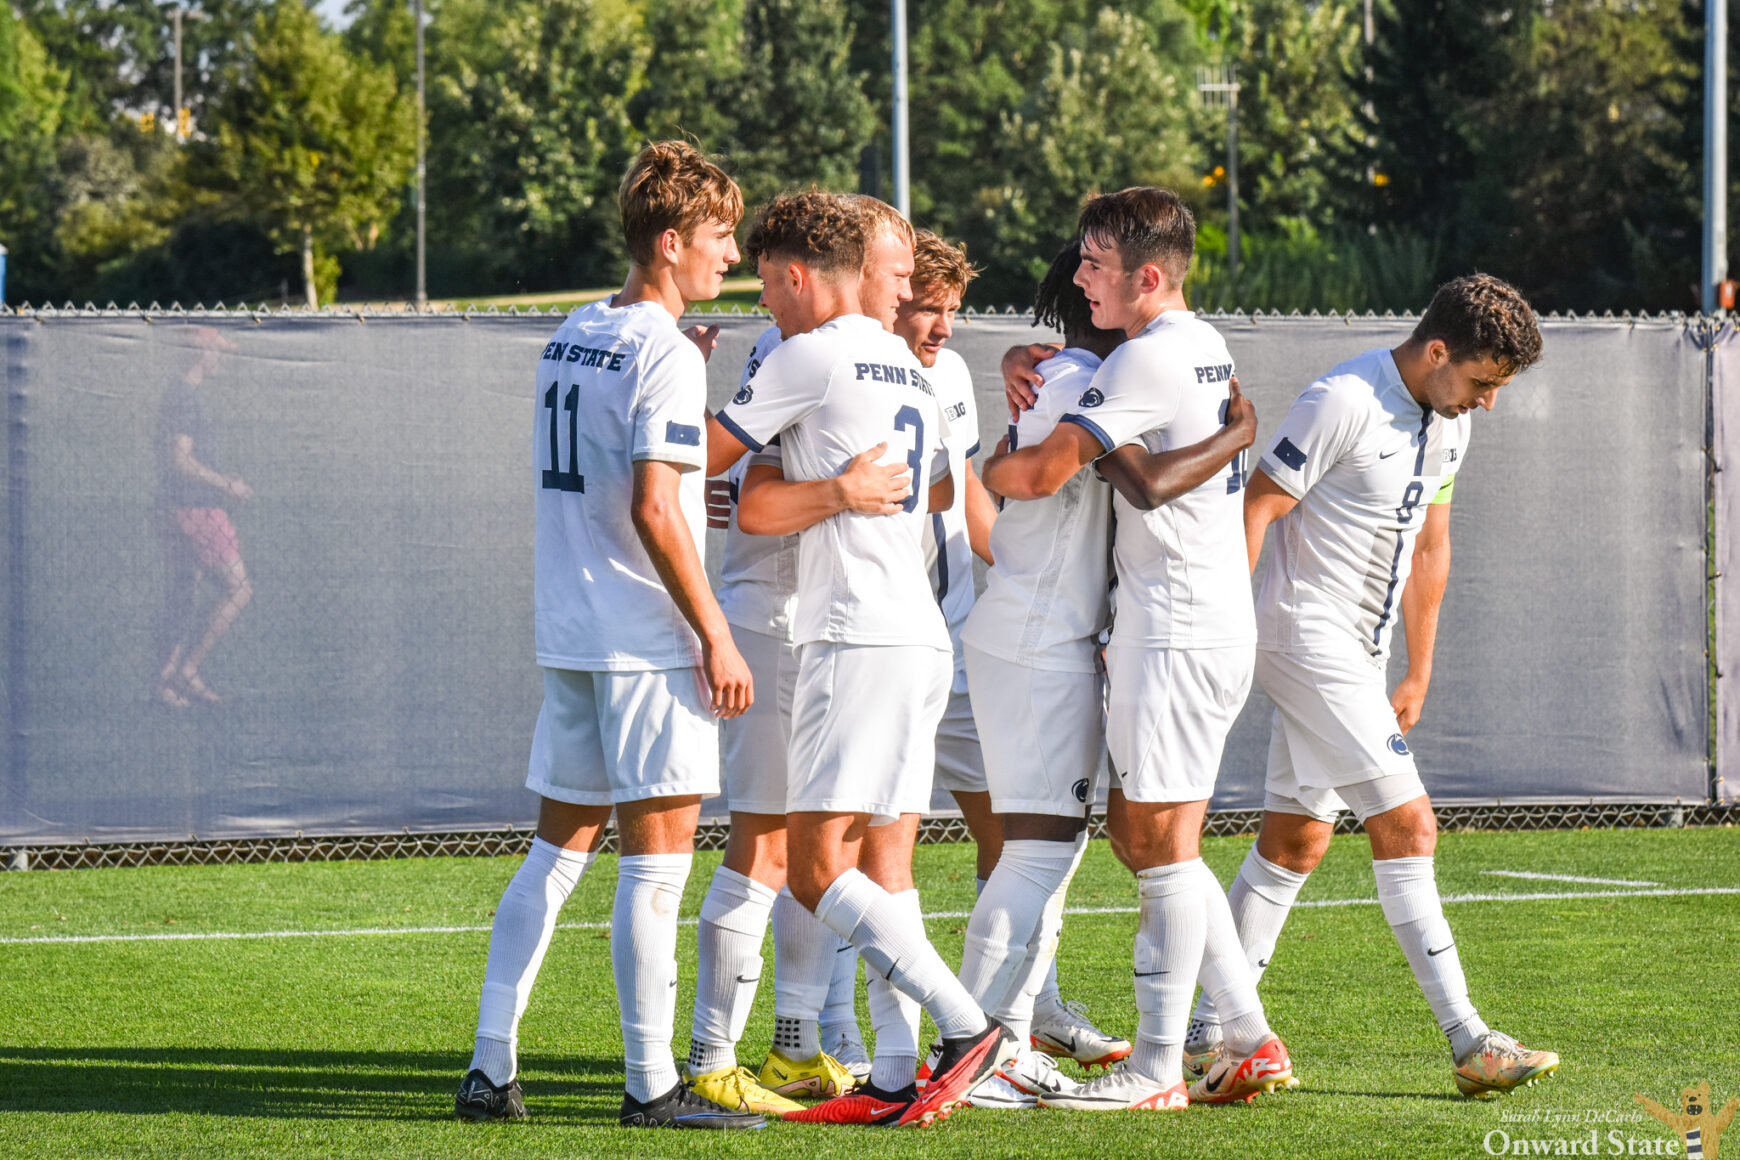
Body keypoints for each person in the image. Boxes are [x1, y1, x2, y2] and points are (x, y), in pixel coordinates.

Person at [453, 140, 762, 1131]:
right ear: (671, 245)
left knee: (555, 855)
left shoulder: (577, 328)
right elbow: (657, 508)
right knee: (656, 868)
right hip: (645, 639)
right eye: (718, 238)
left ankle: (489, 1067)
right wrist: (715, 633)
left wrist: (686, 372)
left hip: (574, 632)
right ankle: (650, 1085)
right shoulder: (664, 351)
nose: (732, 254)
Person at [1195, 273, 1558, 1100]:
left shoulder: (1449, 424)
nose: (1489, 403)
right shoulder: (1342, 399)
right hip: (1297, 632)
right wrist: (1222, 634)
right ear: (1437, 352)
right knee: (1407, 822)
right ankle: (1470, 1041)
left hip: (1358, 654)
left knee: (1295, 842)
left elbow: (1432, 546)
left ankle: (1207, 1036)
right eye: (1481, 383)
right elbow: (1256, 509)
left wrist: (1416, 667)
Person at [707, 191, 1016, 1128]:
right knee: (886, 867)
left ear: (801, 275)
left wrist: (797, 480)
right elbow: (931, 491)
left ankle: (967, 1030)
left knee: (811, 868)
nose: (765, 301)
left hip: (856, 635)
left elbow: (703, 461)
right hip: (922, 633)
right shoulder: (912, 367)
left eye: (766, 282)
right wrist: (824, 483)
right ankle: (893, 1069)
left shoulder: (811, 350)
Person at [983, 187, 1287, 1112]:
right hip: (1189, 622)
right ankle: (1244, 1035)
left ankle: (1156, 1068)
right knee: (1146, 837)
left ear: (1146, 276)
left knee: (1153, 844)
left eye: (1094, 261)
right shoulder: (1198, 344)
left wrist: (986, 462)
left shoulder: (1147, 359)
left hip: (1176, 628)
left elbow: (1065, 476)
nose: (1079, 274)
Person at [684, 194, 913, 1114]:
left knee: (817, 842)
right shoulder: (796, 350)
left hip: (820, 618)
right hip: (775, 614)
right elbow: (716, 472)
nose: (902, 289)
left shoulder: (846, 353)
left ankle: (789, 1045)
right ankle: (709, 1062)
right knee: (768, 845)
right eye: (896, 271)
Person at [154, 326, 254, 708]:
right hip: (194, 507)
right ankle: (187, 671)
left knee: (186, 592)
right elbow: (179, 460)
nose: (220, 358)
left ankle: (166, 683)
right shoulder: (183, 397)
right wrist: (227, 485)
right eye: (217, 350)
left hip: (184, 505)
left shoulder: (183, 394)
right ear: (201, 353)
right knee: (239, 588)